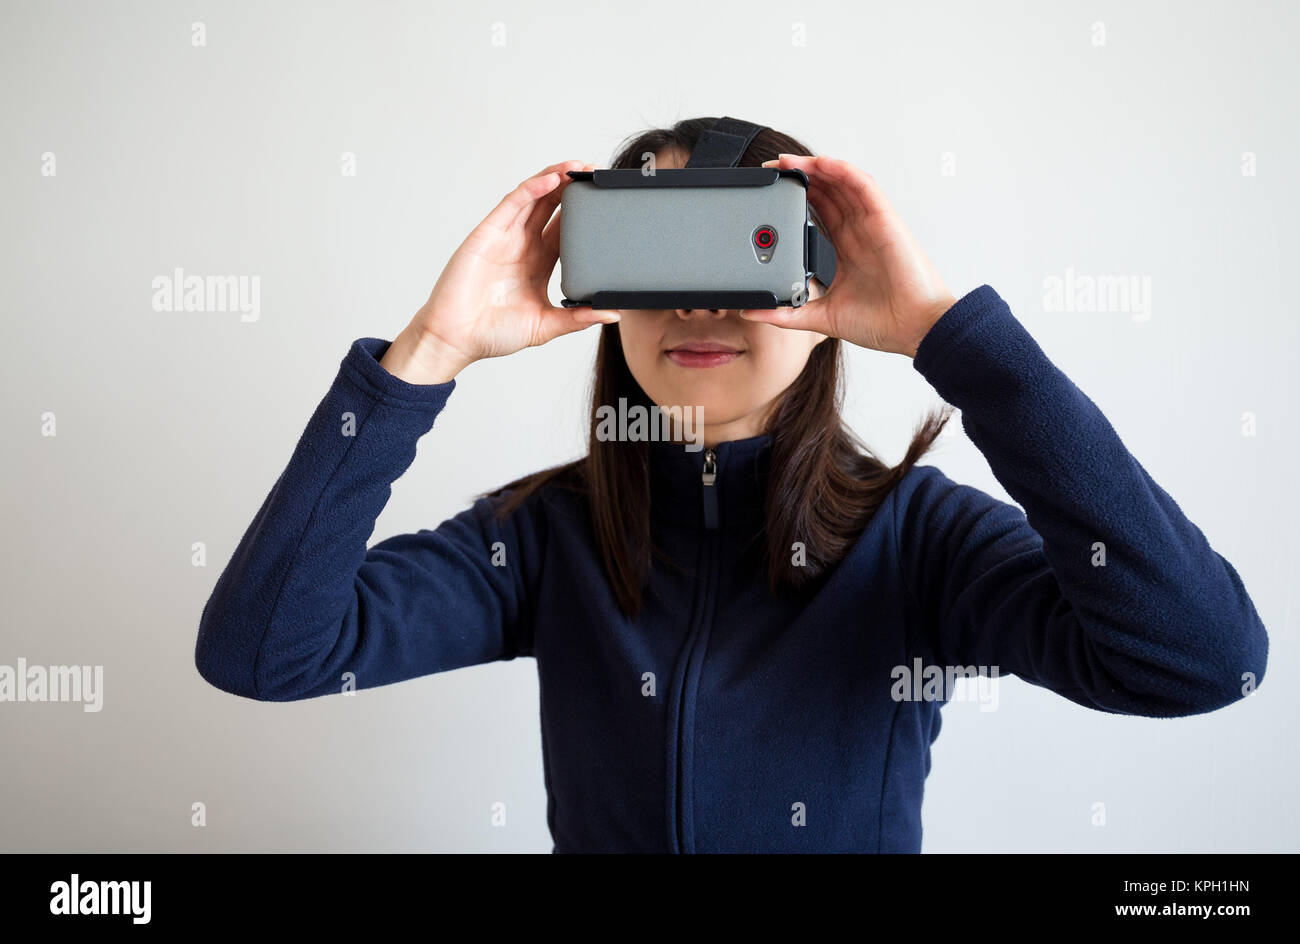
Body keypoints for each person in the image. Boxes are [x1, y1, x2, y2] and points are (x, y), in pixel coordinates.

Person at [195, 118, 1269, 853]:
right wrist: (427, 349)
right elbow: (264, 653)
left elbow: (1203, 661)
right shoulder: (545, 538)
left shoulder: (920, 537)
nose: (696, 305)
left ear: (819, 282)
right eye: (655, 253)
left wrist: (953, 336)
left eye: (739, 249)